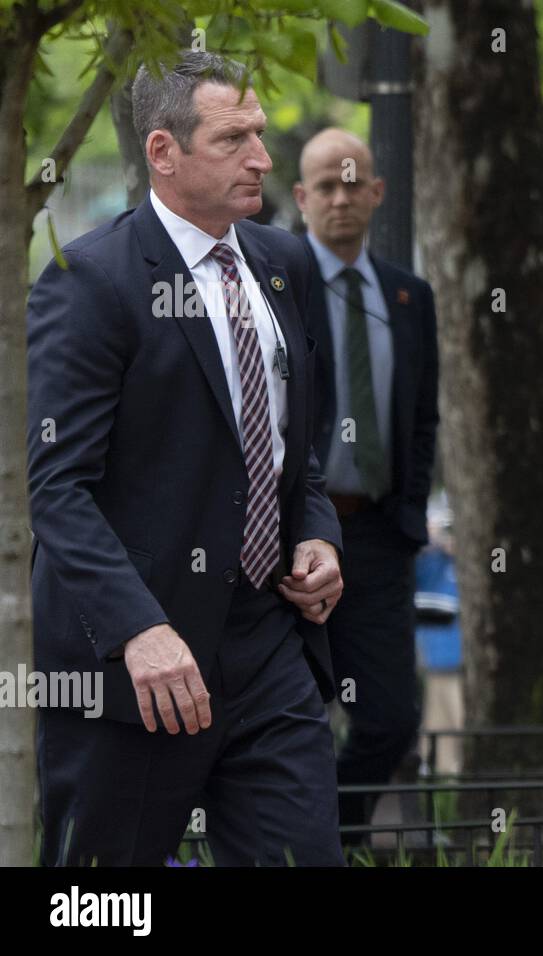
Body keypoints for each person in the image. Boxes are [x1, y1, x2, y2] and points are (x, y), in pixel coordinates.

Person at [27, 51, 346, 866]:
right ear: (162, 152)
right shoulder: (90, 282)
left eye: (262, 135)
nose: (262, 159)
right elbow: (59, 487)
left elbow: (296, 453)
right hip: (140, 664)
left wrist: (318, 539)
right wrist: (139, 630)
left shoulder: (286, 266)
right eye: (234, 138)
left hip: (270, 646)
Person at [293, 129, 439, 844]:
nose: (341, 196)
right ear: (300, 198)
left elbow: (422, 417)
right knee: (291, 714)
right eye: (325, 184)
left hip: (378, 539)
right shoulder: (276, 287)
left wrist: (410, 510)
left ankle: (332, 840)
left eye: (354, 182)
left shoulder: (411, 298)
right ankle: (294, 848)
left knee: (389, 718)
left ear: (377, 192)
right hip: (288, 540)